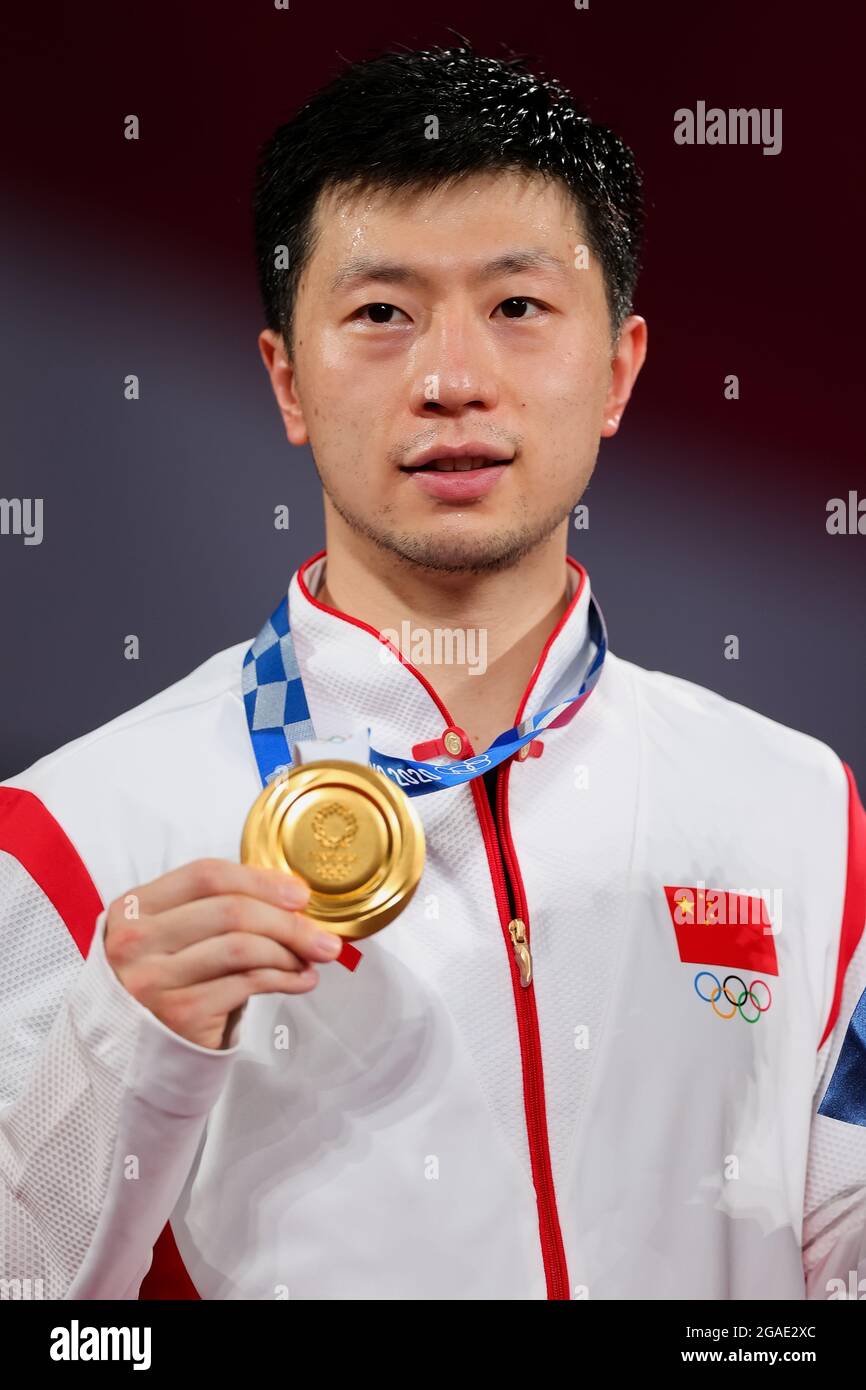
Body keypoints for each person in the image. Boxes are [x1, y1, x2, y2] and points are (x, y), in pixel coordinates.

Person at [1, 42, 864, 1303]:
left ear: (617, 369)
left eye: (517, 308)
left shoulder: (800, 813)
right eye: (379, 314)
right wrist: (124, 1048)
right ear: (286, 382)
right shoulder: (73, 833)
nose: (452, 381)